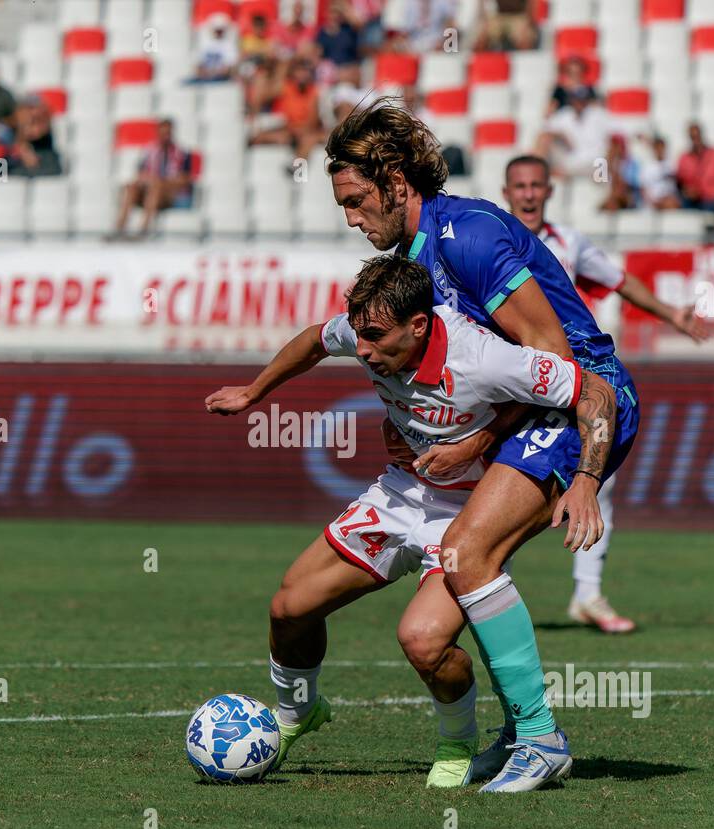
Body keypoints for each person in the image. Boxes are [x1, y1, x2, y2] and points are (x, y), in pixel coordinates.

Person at [205, 256, 618, 789]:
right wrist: (255, 391)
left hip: (468, 515)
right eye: (359, 337)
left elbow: (596, 393)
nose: (365, 351)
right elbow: (313, 339)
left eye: (376, 338)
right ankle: (296, 713)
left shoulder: (483, 358)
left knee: (422, 641)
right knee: (289, 609)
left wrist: (584, 477)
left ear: (419, 325)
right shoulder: (365, 331)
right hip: (400, 494)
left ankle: (458, 740)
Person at [325, 99, 640, 790]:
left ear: (396, 180)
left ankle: (539, 738)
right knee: (426, 636)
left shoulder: (466, 234)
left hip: (584, 404)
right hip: (534, 409)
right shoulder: (415, 252)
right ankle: (518, 731)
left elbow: (562, 367)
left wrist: (490, 447)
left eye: (355, 200)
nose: (350, 218)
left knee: (467, 553)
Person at [502, 153, 709, 633]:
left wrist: (670, 314)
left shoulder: (568, 243)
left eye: (537, 184)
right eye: (521, 186)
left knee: (600, 482)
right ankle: (486, 587)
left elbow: (619, 281)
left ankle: (588, 595)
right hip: (510, 381)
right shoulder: (490, 241)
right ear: (507, 191)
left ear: (550, 190)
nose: (529, 193)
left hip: (569, 380)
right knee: (501, 486)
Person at [113, 118, 194, 238]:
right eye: (163, 133)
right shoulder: (149, 152)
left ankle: (143, 230)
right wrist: (150, 180)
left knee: (156, 187)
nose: (165, 136)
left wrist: (162, 182)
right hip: (149, 190)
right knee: (132, 187)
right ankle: (119, 229)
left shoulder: (182, 154)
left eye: (168, 133)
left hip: (169, 195)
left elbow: (184, 180)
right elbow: (140, 174)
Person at [249, 58, 326, 160]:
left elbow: (311, 123)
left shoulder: (314, 92)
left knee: (308, 138)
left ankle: (296, 165)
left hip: (304, 132)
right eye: (300, 71)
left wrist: (296, 130)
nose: (303, 74)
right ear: (293, 73)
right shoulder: (286, 87)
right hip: (288, 129)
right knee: (259, 137)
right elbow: (261, 97)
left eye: (306, 71)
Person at [537, 84, 615, 179]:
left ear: (587, 100)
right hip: (571, 162)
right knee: (545, 139)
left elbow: (615, 138)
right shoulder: (564, 115)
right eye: (576, 99)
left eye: (582, 99)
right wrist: (560, 136)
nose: (579, 103)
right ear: (571, 100)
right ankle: (538, 173)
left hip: (596, 163)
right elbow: (544, 132)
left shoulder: (599, 114)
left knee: (604, 165)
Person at [6, 95, 62, 178]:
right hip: (27, 158)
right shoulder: (21, 123)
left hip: (45, 156)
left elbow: (35, 133)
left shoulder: (45, 122)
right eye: (29, 108)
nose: (32, 111)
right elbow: (19, 142)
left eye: (33, 108)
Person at [194, 12, 238, 82]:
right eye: (216, 29)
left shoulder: (229, 45)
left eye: (220, 30)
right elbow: (198, 65)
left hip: (221, 79)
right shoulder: (205, 44)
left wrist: (215, 73)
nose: (218, 32)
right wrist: (204, 73)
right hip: (205, 78)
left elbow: (229, 67)